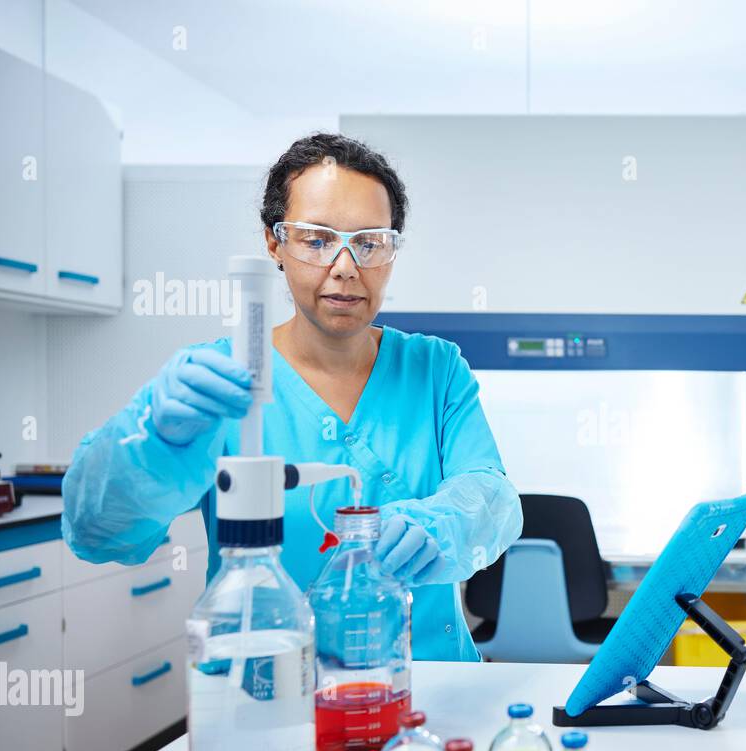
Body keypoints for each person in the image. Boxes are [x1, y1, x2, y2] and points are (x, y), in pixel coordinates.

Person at [61, 132, 522, 661]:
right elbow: (98, 535)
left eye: (369, 241)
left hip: (430, 691)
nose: (346, 266)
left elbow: (492, 496)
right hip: (267, 697)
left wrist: (441, 525)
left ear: (391, 250)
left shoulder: (434, 369)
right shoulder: (221, 380)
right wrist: (148, 449)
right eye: (316, 238)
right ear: (274, 243)